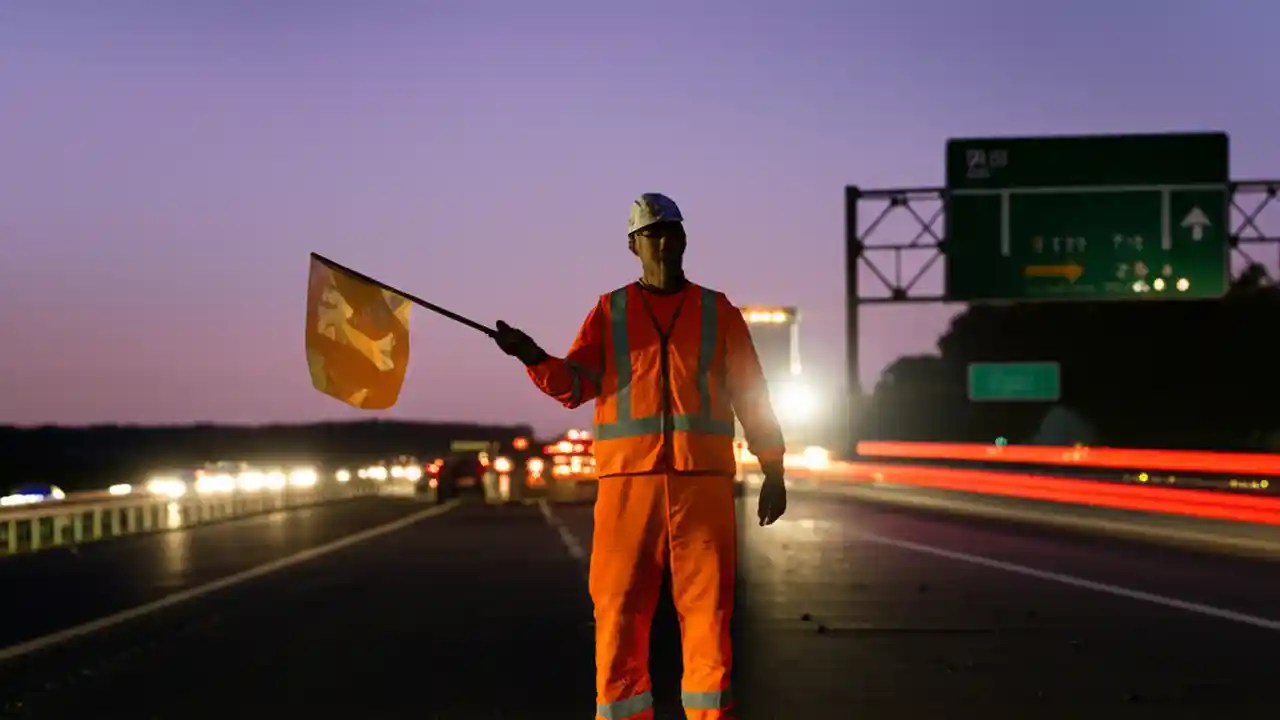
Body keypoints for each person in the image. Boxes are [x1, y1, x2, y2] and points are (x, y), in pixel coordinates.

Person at [494, 192, 787, 720]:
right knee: (619, 610)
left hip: (703, 483)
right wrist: (532, 356)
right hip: (629, 483)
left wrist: (773, 466)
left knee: (708, 613)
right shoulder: (611, 311)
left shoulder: (717, 311)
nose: (665, 242)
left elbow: (751, 392)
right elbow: (575, 385)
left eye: (672, 231)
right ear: (633, 245)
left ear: (685, 238)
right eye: (653, 234)